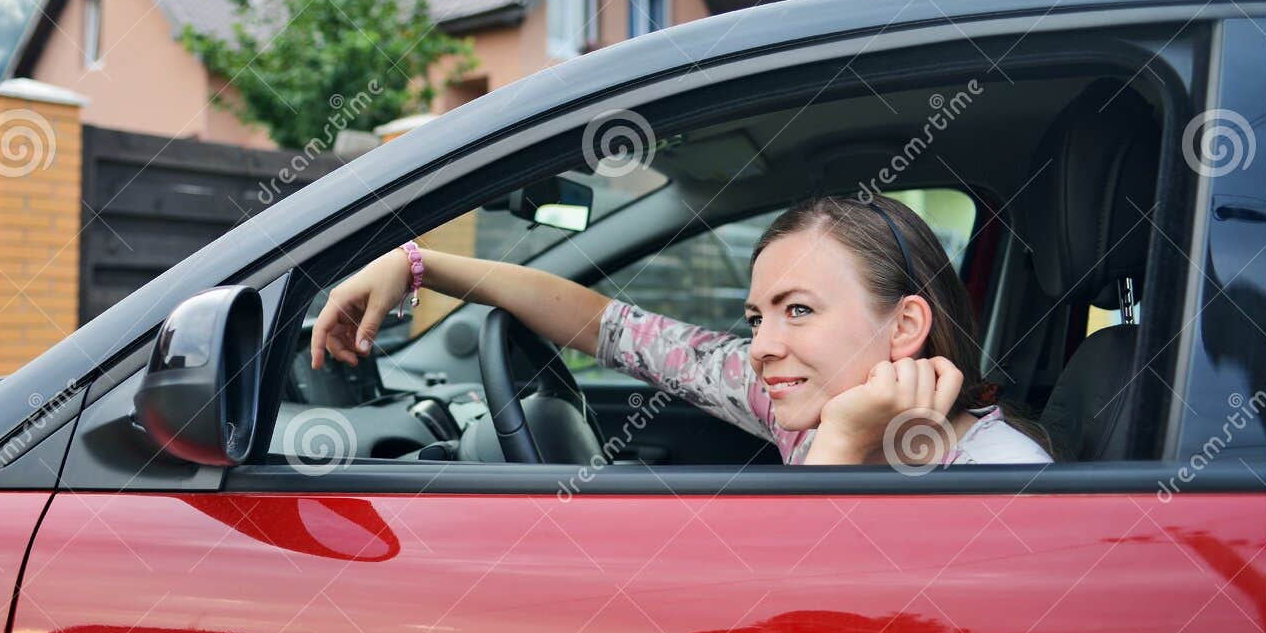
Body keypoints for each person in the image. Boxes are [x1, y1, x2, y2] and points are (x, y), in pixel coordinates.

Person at [310, 193, 1053, 467]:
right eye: (756, 317)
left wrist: (844, 449)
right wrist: (417, 265)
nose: (761, 346)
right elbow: (606, 324)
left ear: (905, 328)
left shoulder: (1004, 482)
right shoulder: (798, 401)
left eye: (799, 310)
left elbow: (792, 615)